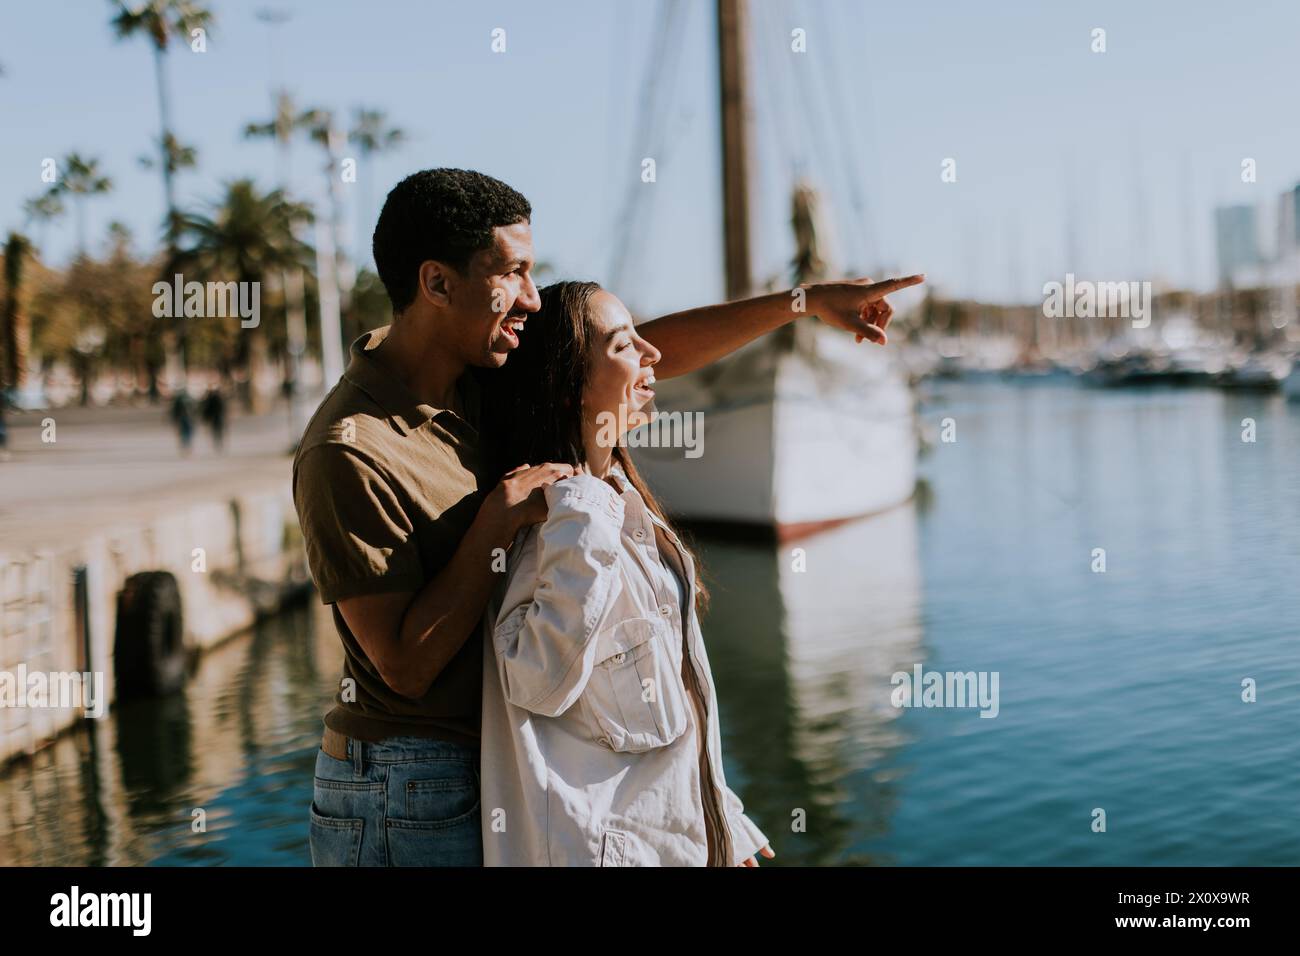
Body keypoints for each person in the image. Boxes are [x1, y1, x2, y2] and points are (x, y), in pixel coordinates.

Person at [292, 167, 920, 867]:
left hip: (505, 764)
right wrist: (496, 522)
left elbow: (629, 355)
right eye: (514, 272)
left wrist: (803, 303)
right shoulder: (348, 451)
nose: (531, 295)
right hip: (408, 784)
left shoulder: (484, 368)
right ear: (438, 284)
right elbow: (405, 668)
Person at [477, 281, 771, 866]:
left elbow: (664, 727)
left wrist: (726, 828)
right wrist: (581, 503)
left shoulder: (620, 508)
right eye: (623, 345)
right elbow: (536, 682)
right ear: (570, 390)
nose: (653, 353)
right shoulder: (553, 529)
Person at [199, 386, 227, 452]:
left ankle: (218, 442)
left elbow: (206, 410)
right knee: (218, 431)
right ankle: (218, 442)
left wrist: (205, 418)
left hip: (214, 417)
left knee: (216, 431)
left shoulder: (209, 399)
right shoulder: (217, 398)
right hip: (217, 417)